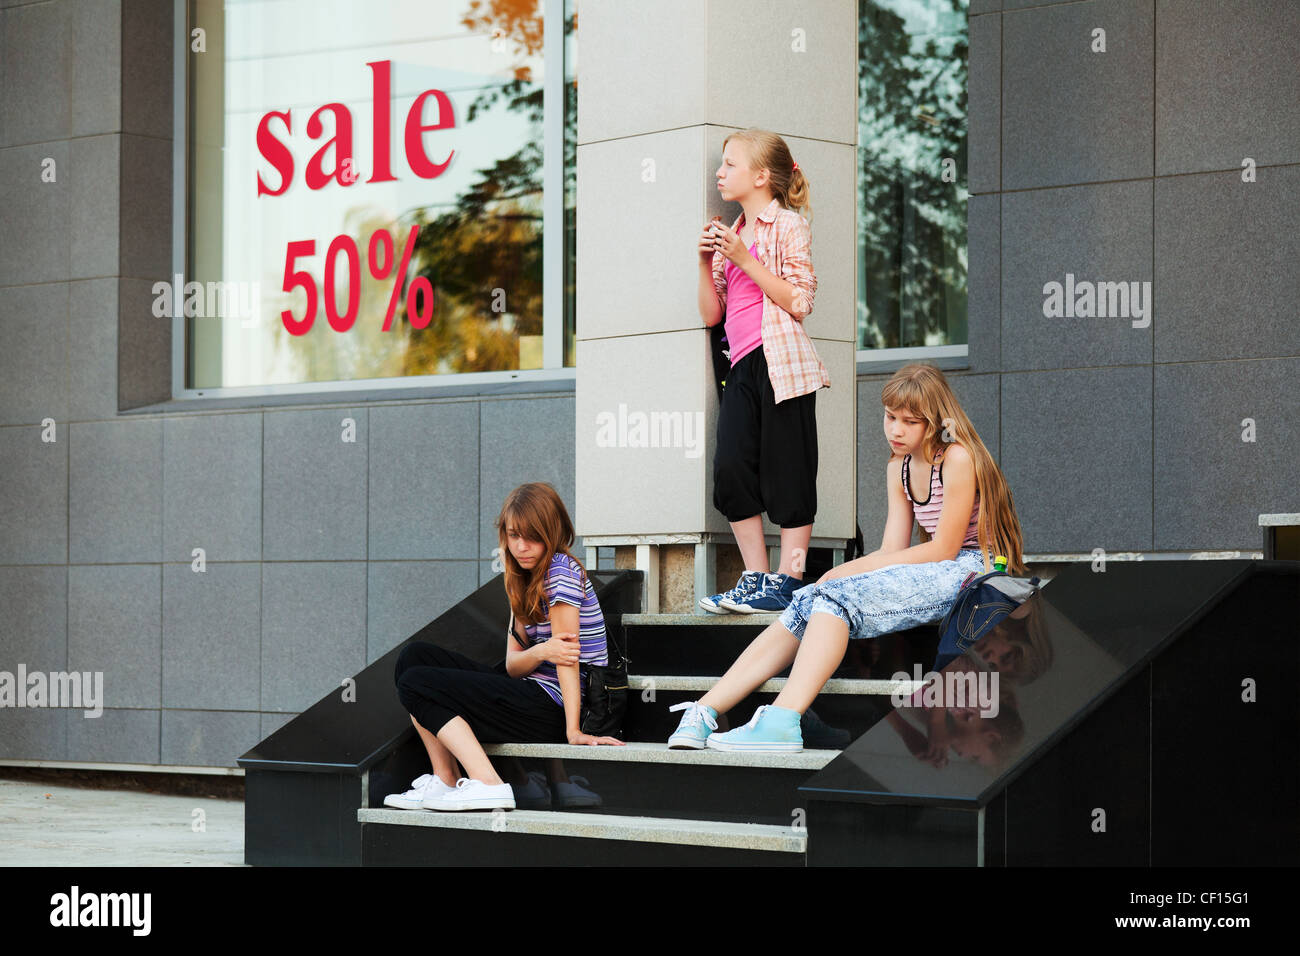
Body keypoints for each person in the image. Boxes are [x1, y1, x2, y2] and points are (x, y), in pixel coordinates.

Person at [668, 363, 1028, 752]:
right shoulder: (899, 468)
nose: (896, 430)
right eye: (890, 417)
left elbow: (945, 548)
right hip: (936, 565)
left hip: (976, 569)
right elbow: (891, 549)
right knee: (808, 600)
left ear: (936, 423)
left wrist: (842, 578)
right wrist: (840, 572)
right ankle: (704, 712)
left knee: (833, 598)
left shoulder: (956, 458)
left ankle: (782, 719)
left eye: (910, 422)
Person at [385, 482, 623, 812]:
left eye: (532, 537)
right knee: (413, 658)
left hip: (559, 706)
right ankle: (445, 780)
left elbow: (567, 660)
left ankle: (487, 782)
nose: (522, 547)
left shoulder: (561, 572)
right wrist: (541, 651)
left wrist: (572, 731)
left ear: (551, 534)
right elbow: (513, 665)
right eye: (513, 536)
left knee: (417, 683)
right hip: (530, 690)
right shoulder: (522, 577)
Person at [696, 128, 829, 615]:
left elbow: (801, 300)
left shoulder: (788, 225)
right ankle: (755, 578)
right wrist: (707, 258)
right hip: (740, 365)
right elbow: (713, 314)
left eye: (729, 164)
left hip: (782, 365)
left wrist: (743, 258)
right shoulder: (732, 233)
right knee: (731, 469)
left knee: (790, 473)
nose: (720, 172)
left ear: (761, 176)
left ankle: (789, 580)